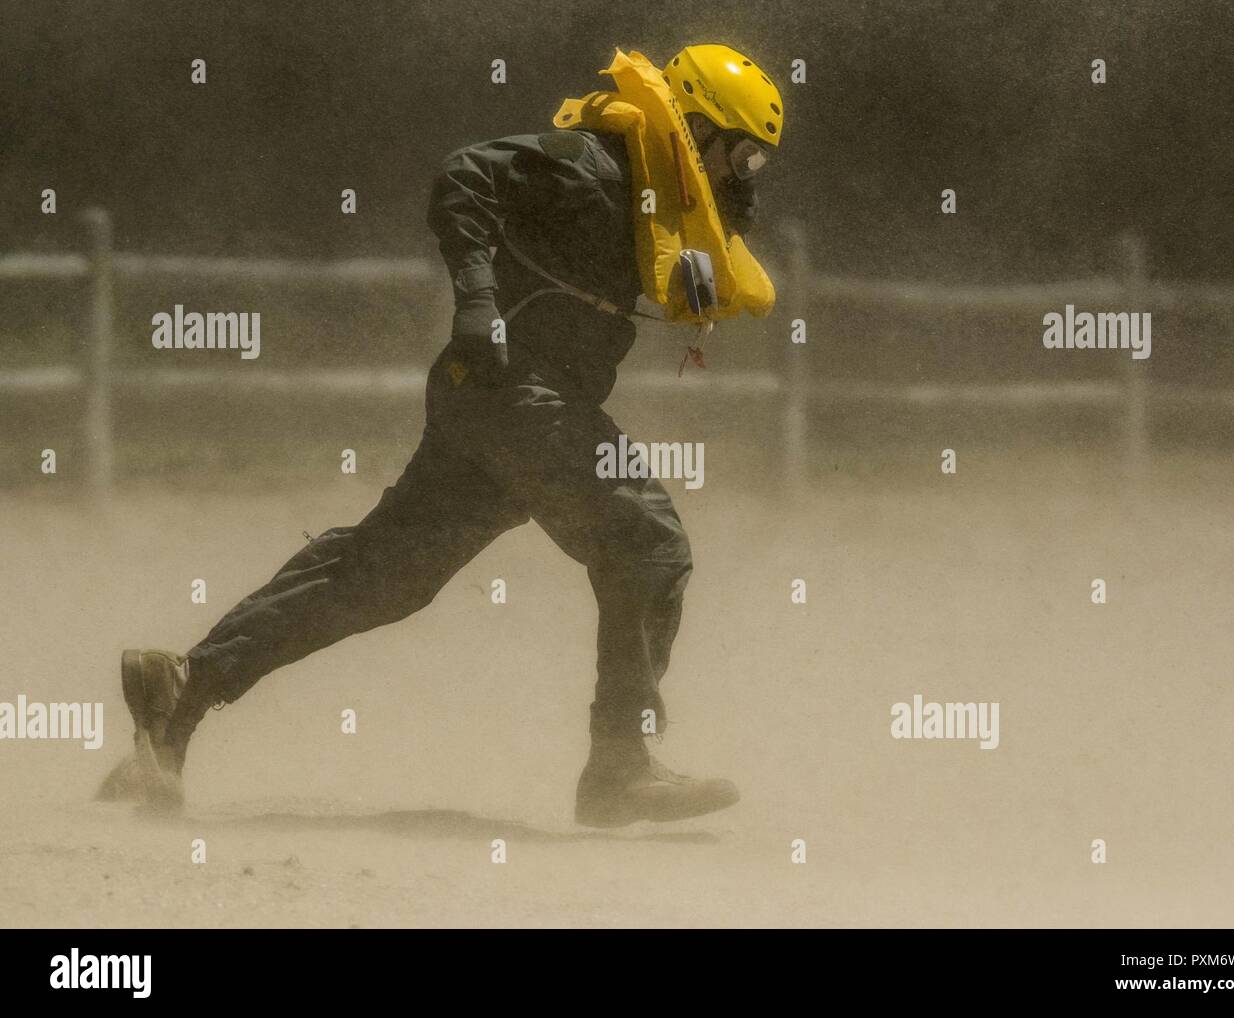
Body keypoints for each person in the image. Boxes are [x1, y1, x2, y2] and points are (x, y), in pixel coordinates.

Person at [102, 45, 785, 827]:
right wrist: (476, 299)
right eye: (745, 155)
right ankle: (620, 766)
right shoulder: (588, 162)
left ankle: (180, 690)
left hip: (494, 406)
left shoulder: (651, 200)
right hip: (516, 393)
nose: (746, 177)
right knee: (648, 542)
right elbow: (467, 173)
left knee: (383, 574)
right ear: (696, 128)